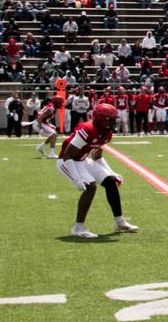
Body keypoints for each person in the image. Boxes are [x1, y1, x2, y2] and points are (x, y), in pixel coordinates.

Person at [56, 102, 139, 238]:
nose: (114, 122)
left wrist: (111, 172)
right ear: (102, 120)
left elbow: (97, 156)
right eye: (111, 119)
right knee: (90, 187)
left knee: (110, 182)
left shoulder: (106, 133)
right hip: (66, 162)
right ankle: (78, 228)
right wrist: (77, 179)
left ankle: (120, 222)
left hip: (82, 160)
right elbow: (67, 155)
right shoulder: (87, 129)